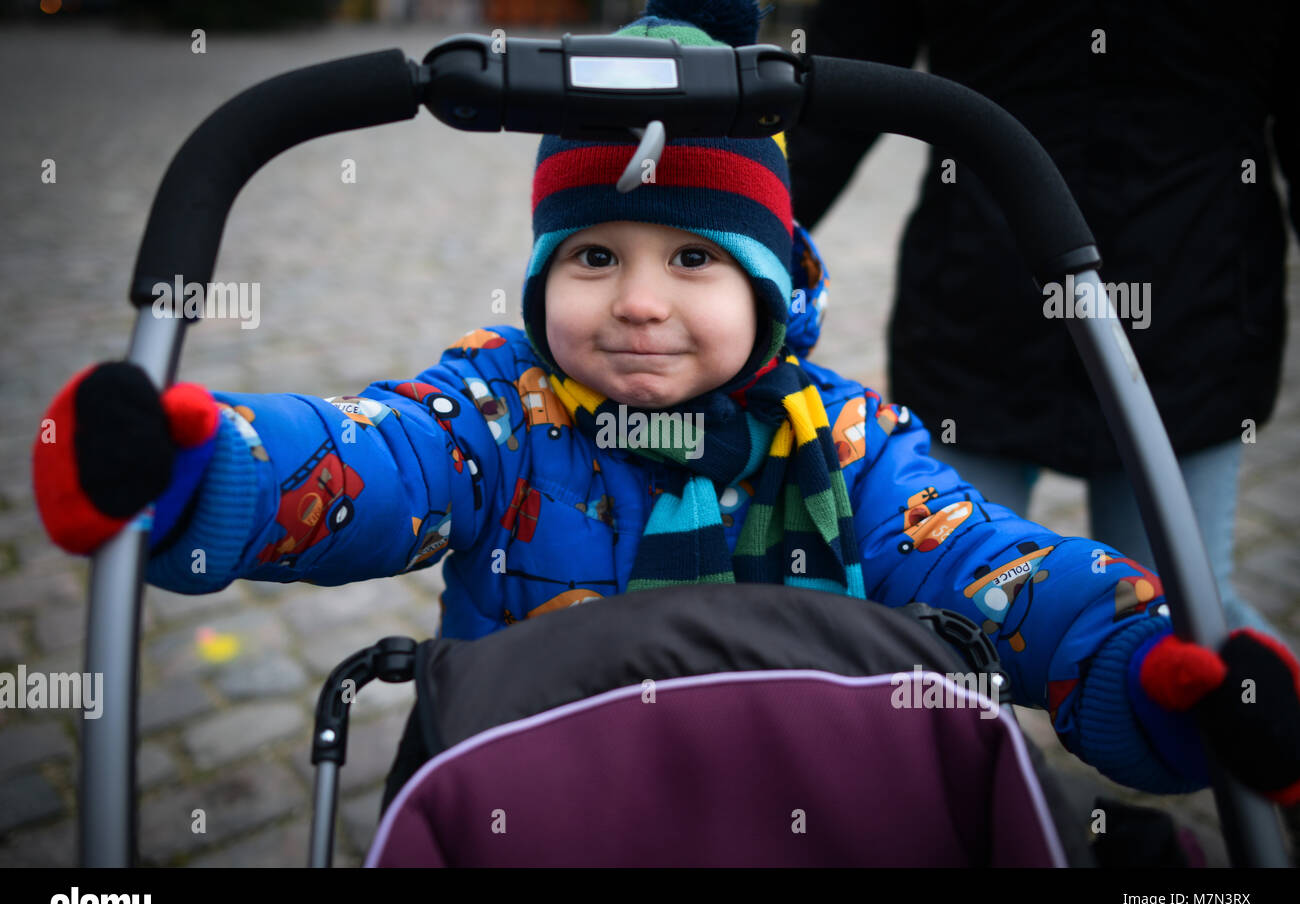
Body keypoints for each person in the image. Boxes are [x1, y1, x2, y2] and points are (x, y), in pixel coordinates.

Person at [30, 0, 1300, 809]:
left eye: (693, 260)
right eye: (594, 257)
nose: (638, 301)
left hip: (807, 807)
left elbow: (993, 569)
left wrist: (1137, 665)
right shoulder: (502, 414)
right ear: (541, 280)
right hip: (543, 803)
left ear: (773, 287)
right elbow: (373, 463)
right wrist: (201, 471)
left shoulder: (839, 444)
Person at [783, 0, 1299, 636]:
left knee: (1185, 620)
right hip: (977, 304)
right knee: (945, 609)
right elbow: (836, 89)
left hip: (1192, 304)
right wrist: (734, 242)